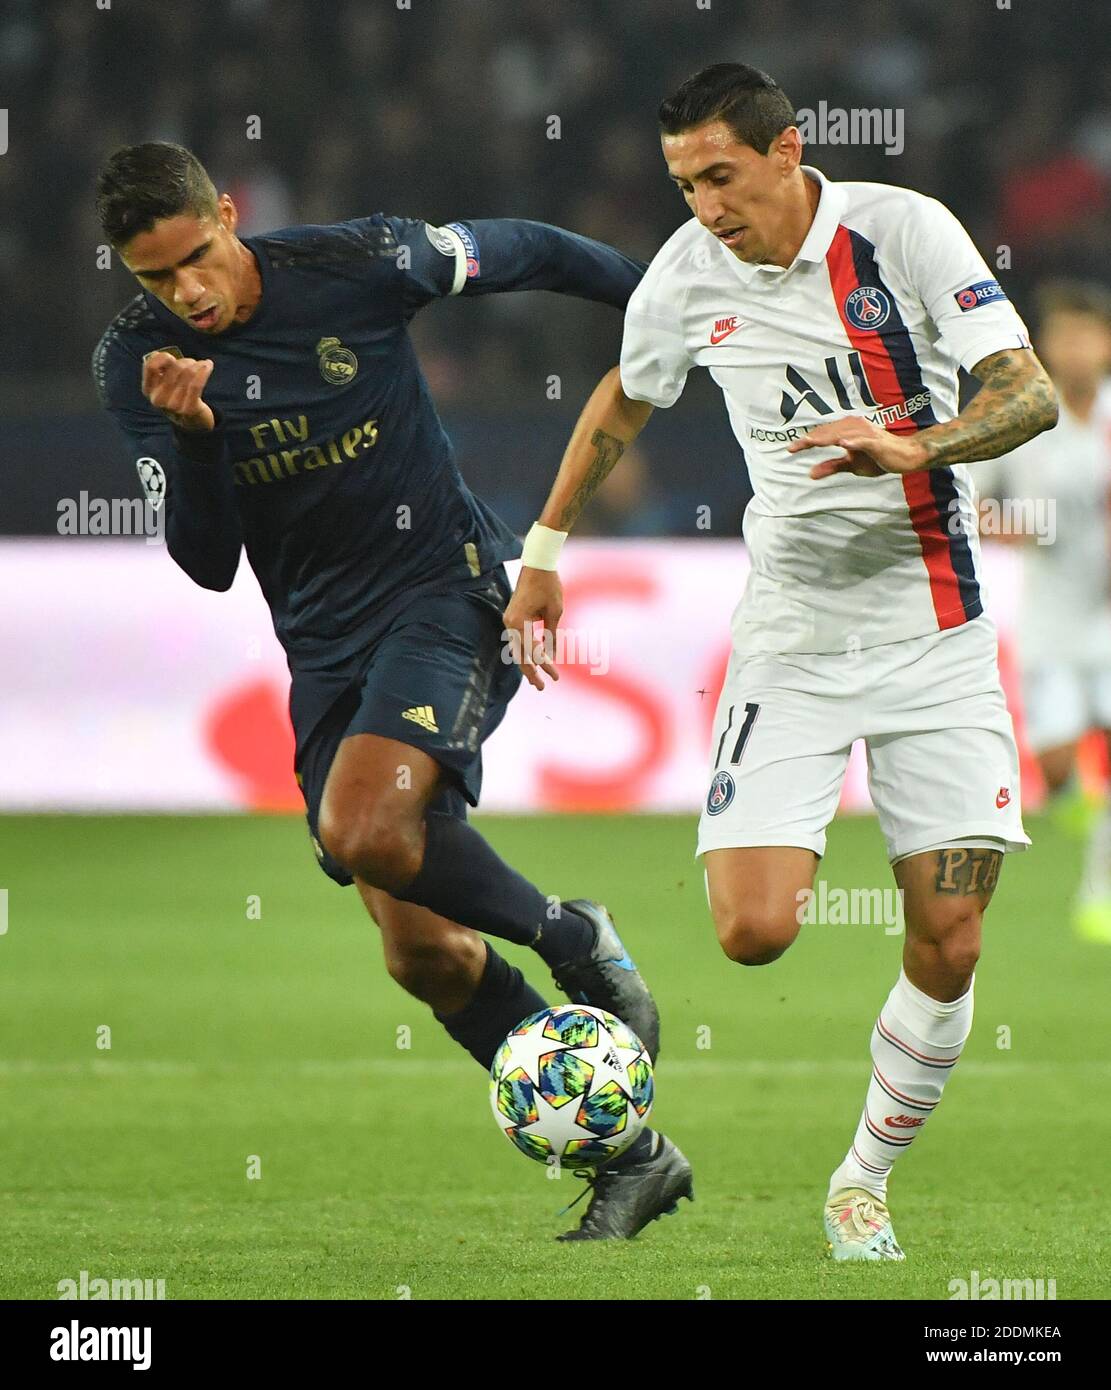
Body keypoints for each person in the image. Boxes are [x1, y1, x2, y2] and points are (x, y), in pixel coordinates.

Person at [506, 64, 1057, 1260]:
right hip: (792, 638)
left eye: (719, 175)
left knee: (951, 938)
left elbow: (1029, 395)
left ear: (786, 151)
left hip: (937, 632)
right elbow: (623, 397)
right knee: (754, 932)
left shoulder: (901, 233)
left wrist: (905, 446)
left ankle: (861, 1180)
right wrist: (545, 547)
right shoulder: (685, 276)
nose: (703, 204)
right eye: (682, 183)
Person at [92, 142, 692, 1240]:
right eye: (155, 278)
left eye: (195, 259)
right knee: (423, 951)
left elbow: (522, 249)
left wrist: (665, 294)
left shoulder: (356, 262)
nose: (186, 293)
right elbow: (206, 559)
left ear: (228, 216)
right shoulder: (137, 362)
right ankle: (635, 1159)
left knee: (364, 823)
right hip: (323, 653)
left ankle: (573, 936)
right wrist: (194, 440)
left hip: (444, 594)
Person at [977, 281, 1111, 943]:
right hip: (1052, 621)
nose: (1076, 350)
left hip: (1109, 621)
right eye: (1063, 337)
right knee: (1057, 762)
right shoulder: (1027, 415)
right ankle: (1073, 806)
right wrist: (1020, 524)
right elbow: (970, 502)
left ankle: (1099, 893)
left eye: (1087, 335)